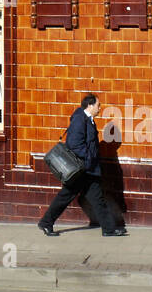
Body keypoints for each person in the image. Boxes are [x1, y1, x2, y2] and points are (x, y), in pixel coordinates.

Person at [38, 92, 127, 237]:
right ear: (90, 105)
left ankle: (109, 229)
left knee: (97, 199)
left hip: (87, 169)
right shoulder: (80, 120)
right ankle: (46, 223)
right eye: (98, 105)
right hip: (82, 169)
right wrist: (89, 158)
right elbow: (74, 144)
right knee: (66, 197)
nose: (100, 108)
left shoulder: (87, 119)